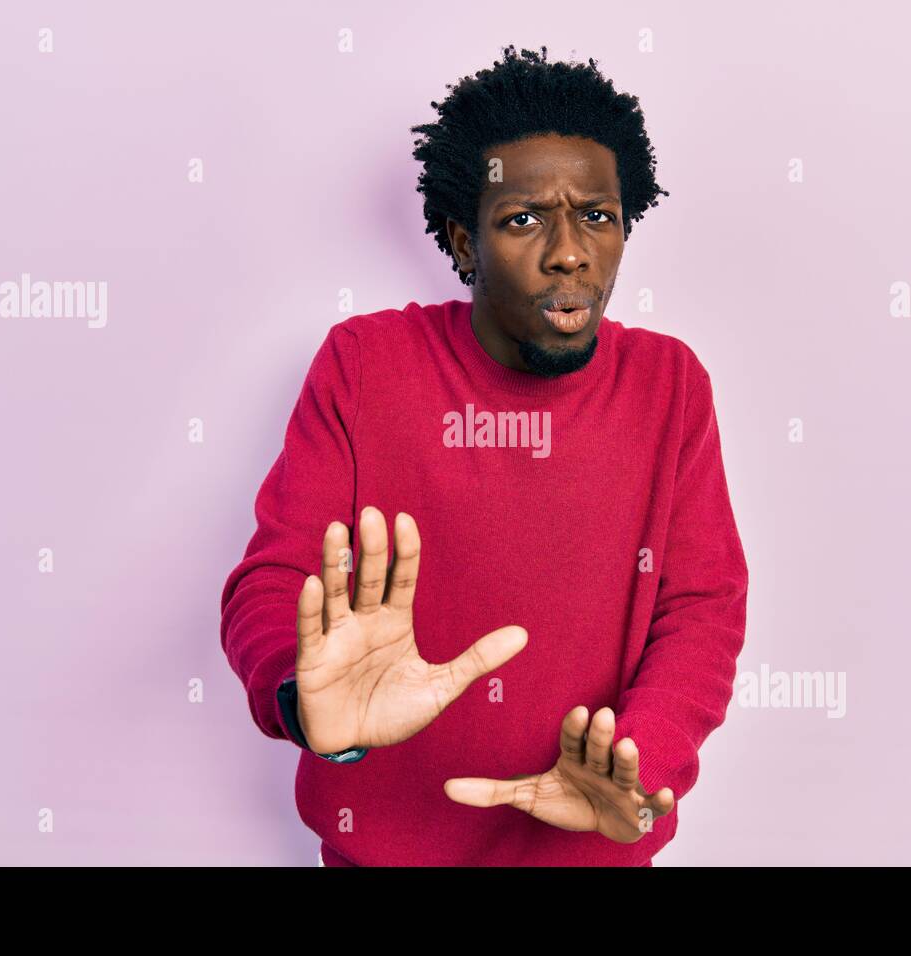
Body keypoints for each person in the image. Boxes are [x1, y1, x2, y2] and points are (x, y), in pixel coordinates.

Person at [220, 44, 748, 867]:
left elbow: (703, 606)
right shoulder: (364, 365)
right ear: (464, 244)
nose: (570, 252)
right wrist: (301, 698)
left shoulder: (669, 384)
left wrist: (633, 761)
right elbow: (274, 578)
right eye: (524, 219)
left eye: (598, 216)